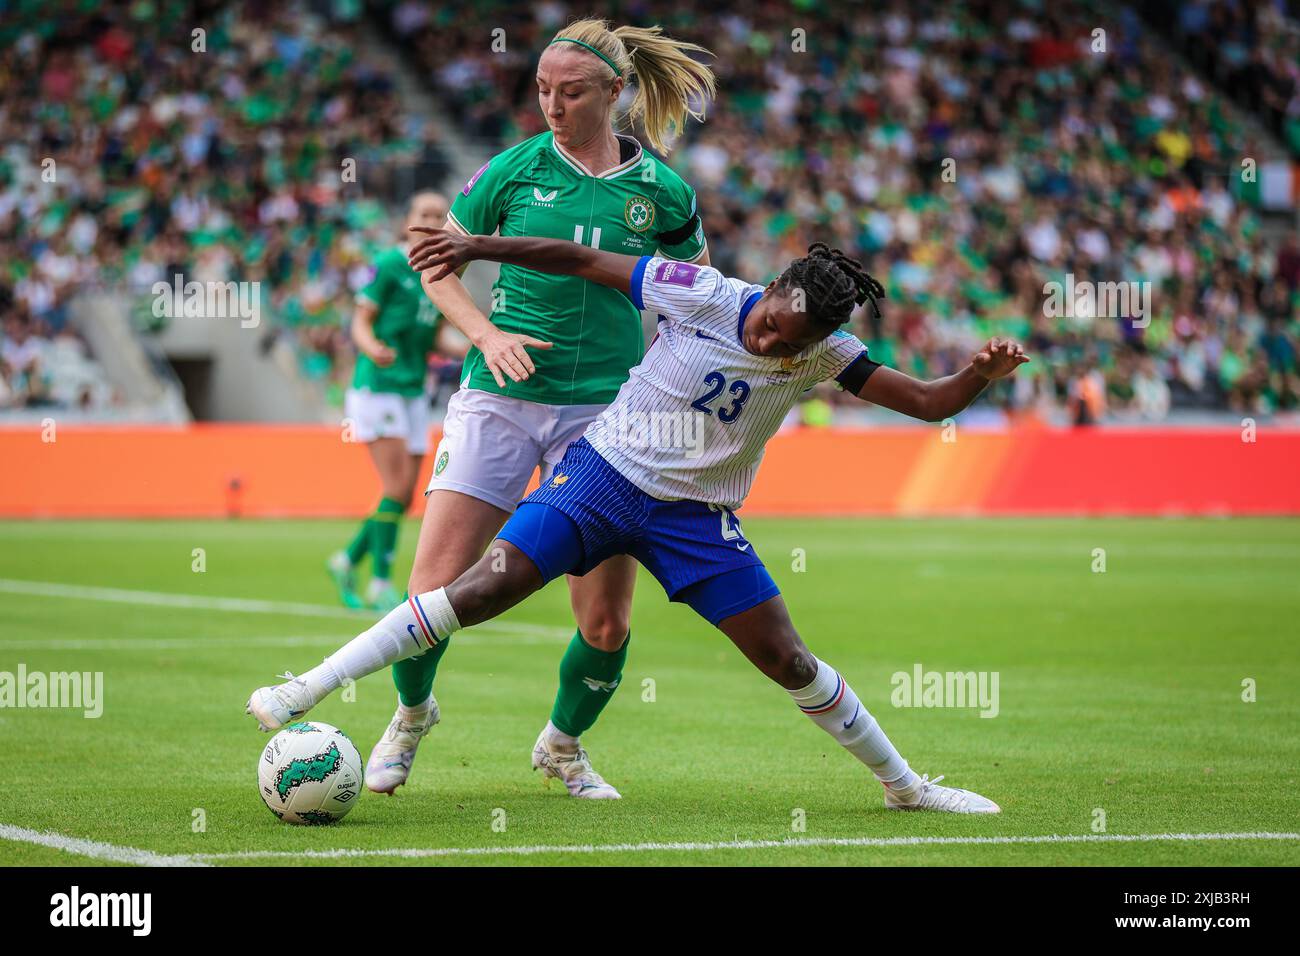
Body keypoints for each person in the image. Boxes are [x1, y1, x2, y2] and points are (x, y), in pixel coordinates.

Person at [247, 231, 1030, 813]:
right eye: (770, 325)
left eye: (787, 344)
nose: (768, 342)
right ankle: (307, 688)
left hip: (695, 514)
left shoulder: (828, 353)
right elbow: (585, 261)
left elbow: (928, 403)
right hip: (604, 475)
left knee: (786, 659)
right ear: (774, 288)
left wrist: (978, 375)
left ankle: (905, 788)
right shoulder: (705, 292)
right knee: (484, 587)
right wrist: (477, 246)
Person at [362, 18, 716, 799]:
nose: (553, 105)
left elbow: (700, 298)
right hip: (501, 403)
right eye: (543, 90)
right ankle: (411, 716)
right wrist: (485, 334)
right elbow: (435, 265)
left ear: (615, 93)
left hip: (608, 422)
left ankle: (562, 745)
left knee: (607, 624)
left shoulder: (663, 193)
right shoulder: (511, 171)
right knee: (433, 593)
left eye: (572, 91)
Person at [327, 192, 468, 610]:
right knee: (396, 487)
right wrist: (371, 348)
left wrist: (479, 344)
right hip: (378, 385)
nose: (429, 219)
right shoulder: (389, 264)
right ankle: (380, 582)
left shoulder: (443, 269)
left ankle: (346, 559)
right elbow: (360, 320)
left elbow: (436, 335)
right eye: (422, 213)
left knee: (404, 496)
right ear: (408, 221)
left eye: (438, 215)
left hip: (411, 389)